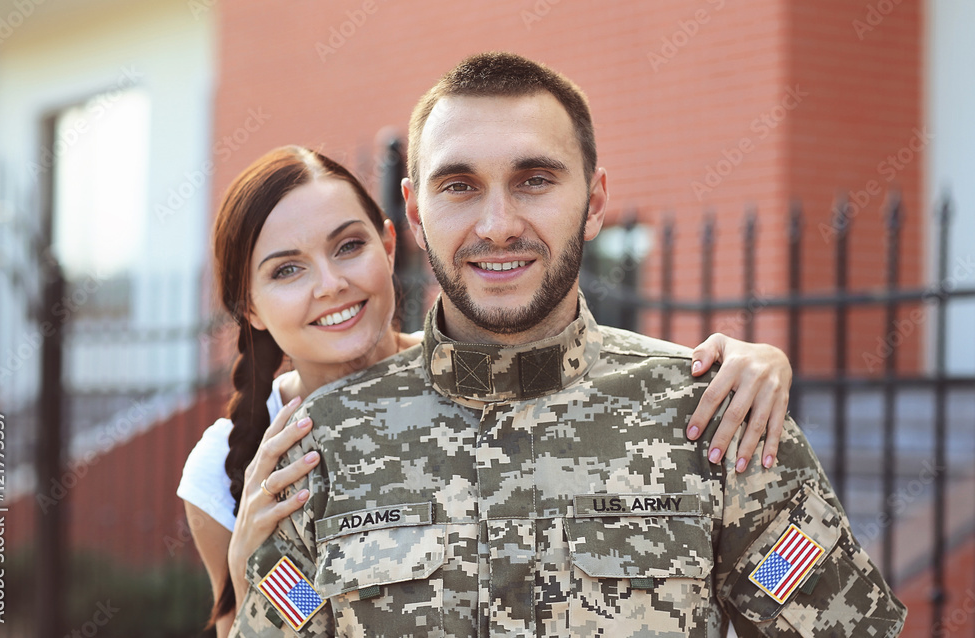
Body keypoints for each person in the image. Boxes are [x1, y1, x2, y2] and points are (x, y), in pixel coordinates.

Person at [229, 52, 906, 637]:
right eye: (459, 186)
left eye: (535, 179)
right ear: (413, 211)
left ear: (595, 200)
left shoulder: (718, 419)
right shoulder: (320, 449)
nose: (497, 226)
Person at [177, 146, 793, 636]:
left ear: (391, 244)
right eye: (287, 269)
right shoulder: (243, 468)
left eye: (349, 246)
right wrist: (255, 570)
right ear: (247, 306)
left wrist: (752, 361)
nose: (330, 284)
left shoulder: (488, 375)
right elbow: (297, 617)